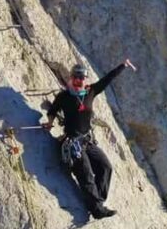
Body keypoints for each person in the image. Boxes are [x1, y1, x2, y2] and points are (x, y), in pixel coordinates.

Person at [44, 59, 134, 219]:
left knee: (105, 167)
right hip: (73, 142)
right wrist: (50, 122)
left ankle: (97, 200)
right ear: (71, 77)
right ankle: (97, 209)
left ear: (85, 79)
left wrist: (123, 66)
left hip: (87, 140)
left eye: (82, 77)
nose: (79, 80)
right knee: (85, 174)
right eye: (76, 77)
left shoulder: (91, 91)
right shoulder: (64, 96)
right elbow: (53, 109)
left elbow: (107, 79)